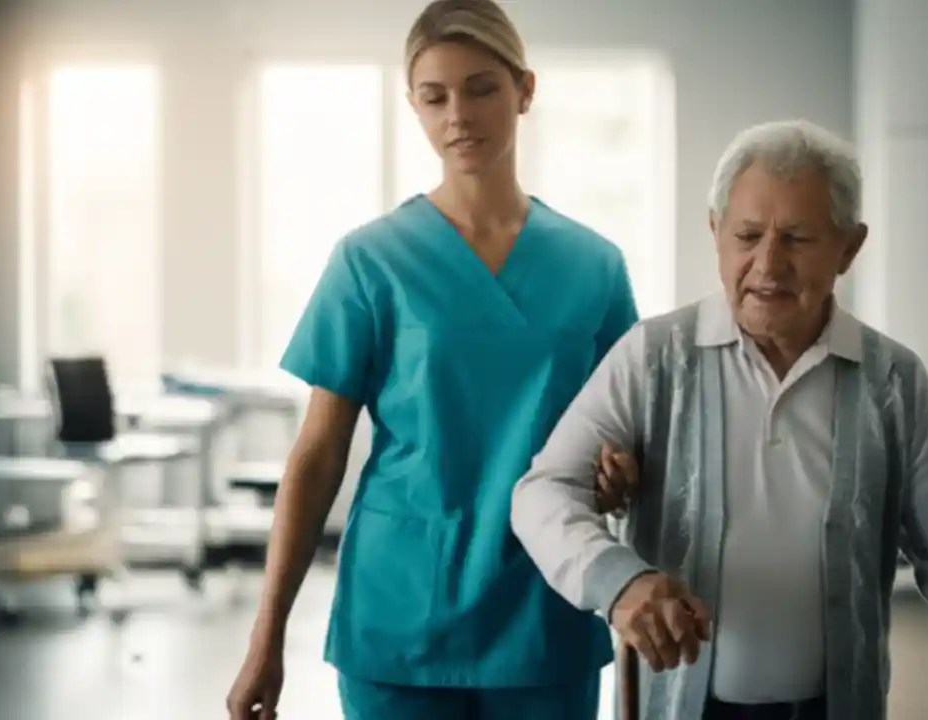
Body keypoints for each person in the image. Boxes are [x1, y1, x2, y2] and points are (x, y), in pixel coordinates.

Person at [510, 119, 928, 720]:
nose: (767, 264)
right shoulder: (653, 357)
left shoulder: (893, 383)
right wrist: (617, 582)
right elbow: (542, 493)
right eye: (747, 235)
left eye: (798, 238)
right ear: (715, 233)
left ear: (849, 248)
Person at [225, 1, 642, 718]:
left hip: (545, 604)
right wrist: (266, 640)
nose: (459, 114)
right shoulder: (370, 261)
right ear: (412, 104)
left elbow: (628, 439)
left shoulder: (594, 267)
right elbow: (318, 456)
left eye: (482, 87)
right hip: (400, 612)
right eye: (435, 95)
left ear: (525, 91)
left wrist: (622, 473)